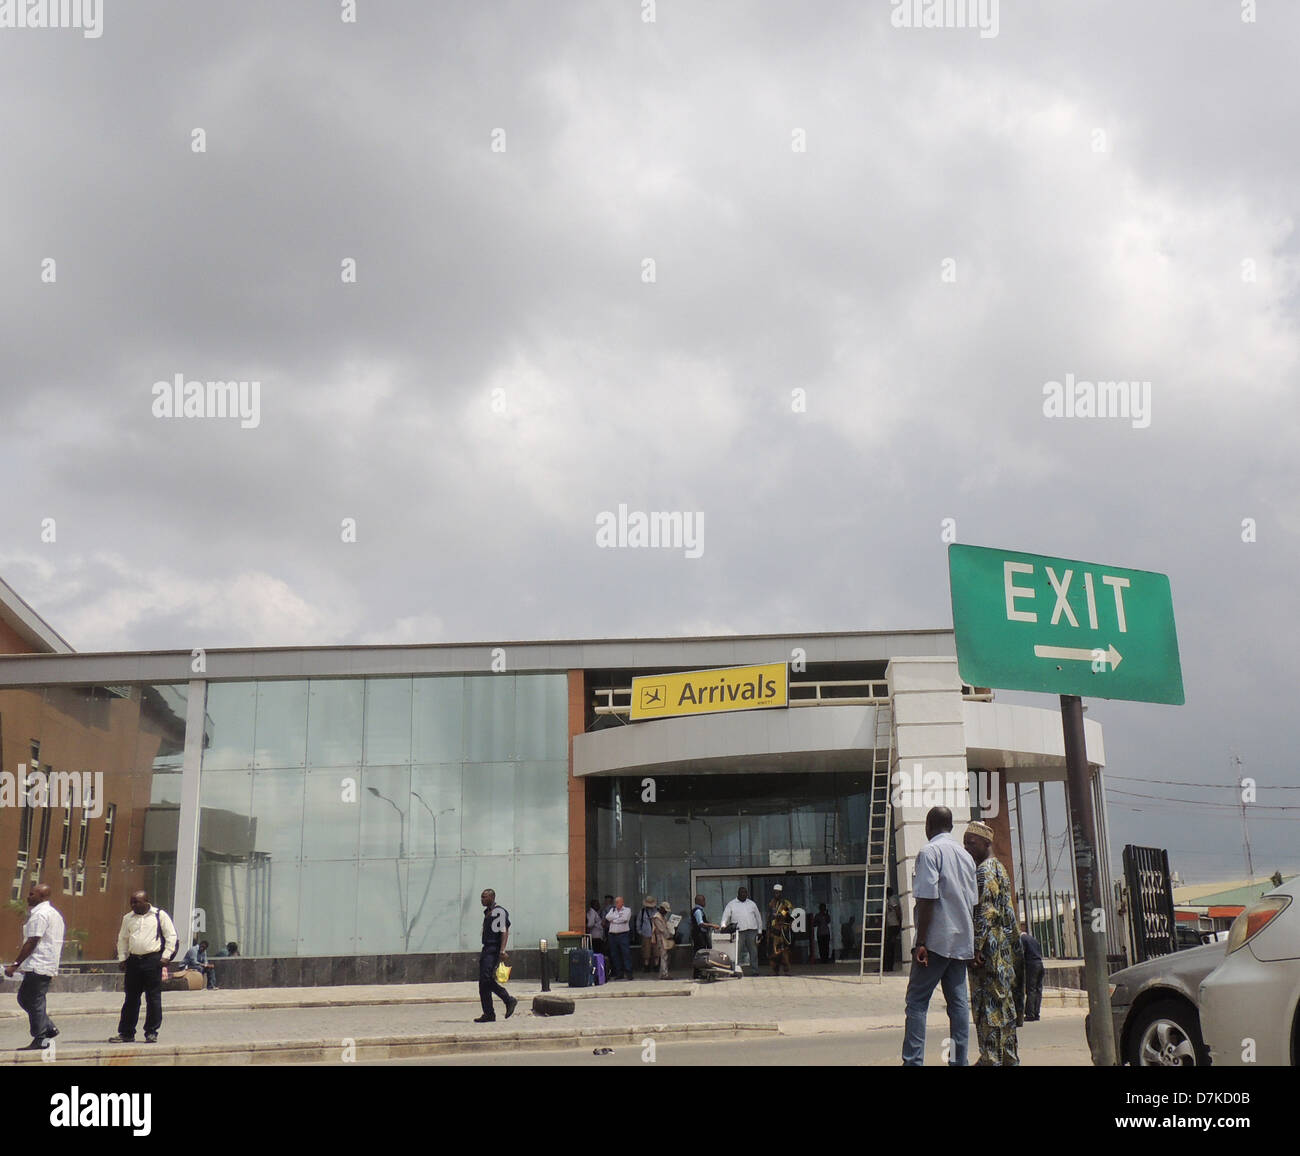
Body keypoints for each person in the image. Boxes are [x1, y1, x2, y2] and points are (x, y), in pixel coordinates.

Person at [902, 806, 977, 1066]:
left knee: (916, 1002)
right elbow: (972, 903)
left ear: (928, 825)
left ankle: (913, 1061)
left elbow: (926, 899)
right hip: (961, 942)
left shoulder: (929, 852)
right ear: (951, 826)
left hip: (935, 942)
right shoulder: (966, 857)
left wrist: (921, 942)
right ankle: (959, 1061)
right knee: (958, 1007)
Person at [964, 820, 1022, 1066]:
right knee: (1004, 1007)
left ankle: (990, 1059)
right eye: (965, 842)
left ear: (986, 843)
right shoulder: (1000, 868)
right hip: (1003, 952)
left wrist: (976, 947)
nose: (966, 847)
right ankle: (1008, 1057)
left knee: (987, 1008)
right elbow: (1009, 915)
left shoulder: (983, 872)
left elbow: (986, 911)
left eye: (971, 842)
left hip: (988, 953)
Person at [109, 890, 178, 1044]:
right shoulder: (128, 918)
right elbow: (122, 939)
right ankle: (126, 1033)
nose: (133, 905)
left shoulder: (159, 915)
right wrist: (122, 958)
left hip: (153, 961)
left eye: (136, 902)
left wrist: (166, 956)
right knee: (131, 998)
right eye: (132, 902)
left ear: (146, 901)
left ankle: (151, 1032)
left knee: (153, 998)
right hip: (134, 961)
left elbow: (171, 936)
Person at [5, 882, 64, 1050]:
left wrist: (14, 965)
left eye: (32, 894)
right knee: (26, 998)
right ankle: (48, 1027)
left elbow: (32, 941)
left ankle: (41, 1037)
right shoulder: (53, 913)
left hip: (39, 964)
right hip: (44, 963)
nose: (28, 897)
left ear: (42, 896)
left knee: (33, 1000)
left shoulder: (41, 915)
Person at [474, 888, 517, 1022]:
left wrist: (502, 950)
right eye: (481, 897)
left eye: (484, 897)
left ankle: (508, 999)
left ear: (492, 897)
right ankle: (488, 1013)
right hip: (486, 948)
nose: (482, 899)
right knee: (483, 983)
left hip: (493, 949)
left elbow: (504, 930)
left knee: (486, 979)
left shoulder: (498, 911)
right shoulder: (488, 912)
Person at [720, 886, 762, 974]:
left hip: (752, 931)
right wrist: (723, 925)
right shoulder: (731, 904)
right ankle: (736, 970)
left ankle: (755, 971)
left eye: (745, 893)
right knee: (736, 952)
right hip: (739, 932)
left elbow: (758, 918)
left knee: (753, 952)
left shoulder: (752, 904)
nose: (744, 894)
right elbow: (725, 915)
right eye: (742, 893)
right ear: (738, 893)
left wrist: (760, 931)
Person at [766, 884, 794, 975]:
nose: (776, 894)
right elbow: (768, 917)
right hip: (773, 933)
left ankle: (786, 970)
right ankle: (775, 971)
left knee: (784, 952)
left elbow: (787, 913)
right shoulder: (771, 903)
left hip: (783, 931)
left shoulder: (786, 903)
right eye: (775, 892)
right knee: (773, 953)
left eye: (778, 892)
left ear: (781, 893)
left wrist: (780, 915)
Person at [1019, 927, 1045, 1022]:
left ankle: (1030, 1014)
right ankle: (1036, 1013)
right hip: (1040, 964)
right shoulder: (1033, 939)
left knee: (1031, 989)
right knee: (1038, 989)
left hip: (1031, 965)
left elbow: (1021, 954)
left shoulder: (1022, 939)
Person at [604, 895, 633, 980]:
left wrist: (614, 920)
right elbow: (607, 917)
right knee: (615, 954)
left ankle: (629, 972)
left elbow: (624, 919)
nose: (616, 904)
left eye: (618, 902)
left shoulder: (627, 910)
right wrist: (617, 917)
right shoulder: (612, 910)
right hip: (613, 935)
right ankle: (619, 973)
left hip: (623, 934)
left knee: (626, 953)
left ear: (622, 902)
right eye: (615, 902)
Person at [652, 901, 675, 979]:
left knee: (665, 956)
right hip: (661, 938)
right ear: (661, 908)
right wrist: (669, 935)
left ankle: (663, 973)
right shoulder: (657, 917)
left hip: (665, 938)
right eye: (665, 910)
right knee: (663, 956)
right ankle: (664, 974)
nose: (666, 912)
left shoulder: (663, 916)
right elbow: (662, 929)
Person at [637, 896, 659, 974]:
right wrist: (640, 931)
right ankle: (647, 966)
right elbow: (639, 922)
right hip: (646, 934)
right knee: (646, 952)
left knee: (657, 951)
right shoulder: (642, 912)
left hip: (656, 935)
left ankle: (657, 966)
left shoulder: (657, 911)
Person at [885, 887, 902, 970]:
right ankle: (888, 966)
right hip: (891, 925)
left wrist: (899, 922)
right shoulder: (890, 900)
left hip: (894, 925)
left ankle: (889, 967)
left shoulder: (892, 900)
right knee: (889, 946)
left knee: (890, 946)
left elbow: (897, 910)